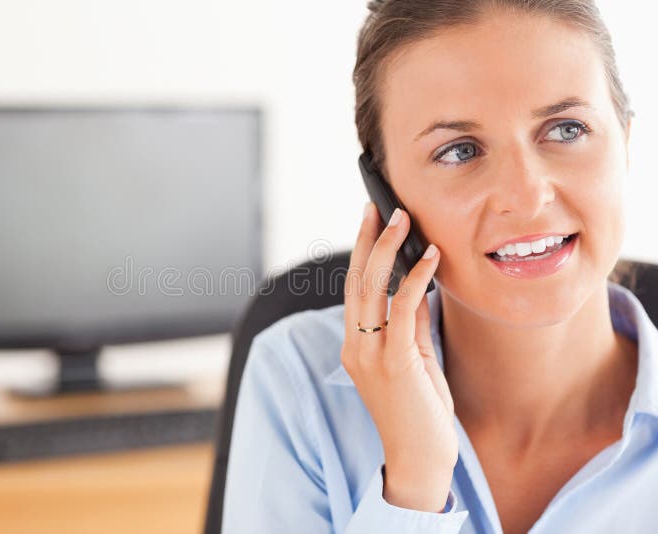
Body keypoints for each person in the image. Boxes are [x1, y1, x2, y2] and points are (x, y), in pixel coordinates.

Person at [221, 1, 657, 533]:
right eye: (460, 151)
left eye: (566, 130)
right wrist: (413, 485)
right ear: (386, 196)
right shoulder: (298, 379)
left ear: (626, 143)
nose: (526, 196)